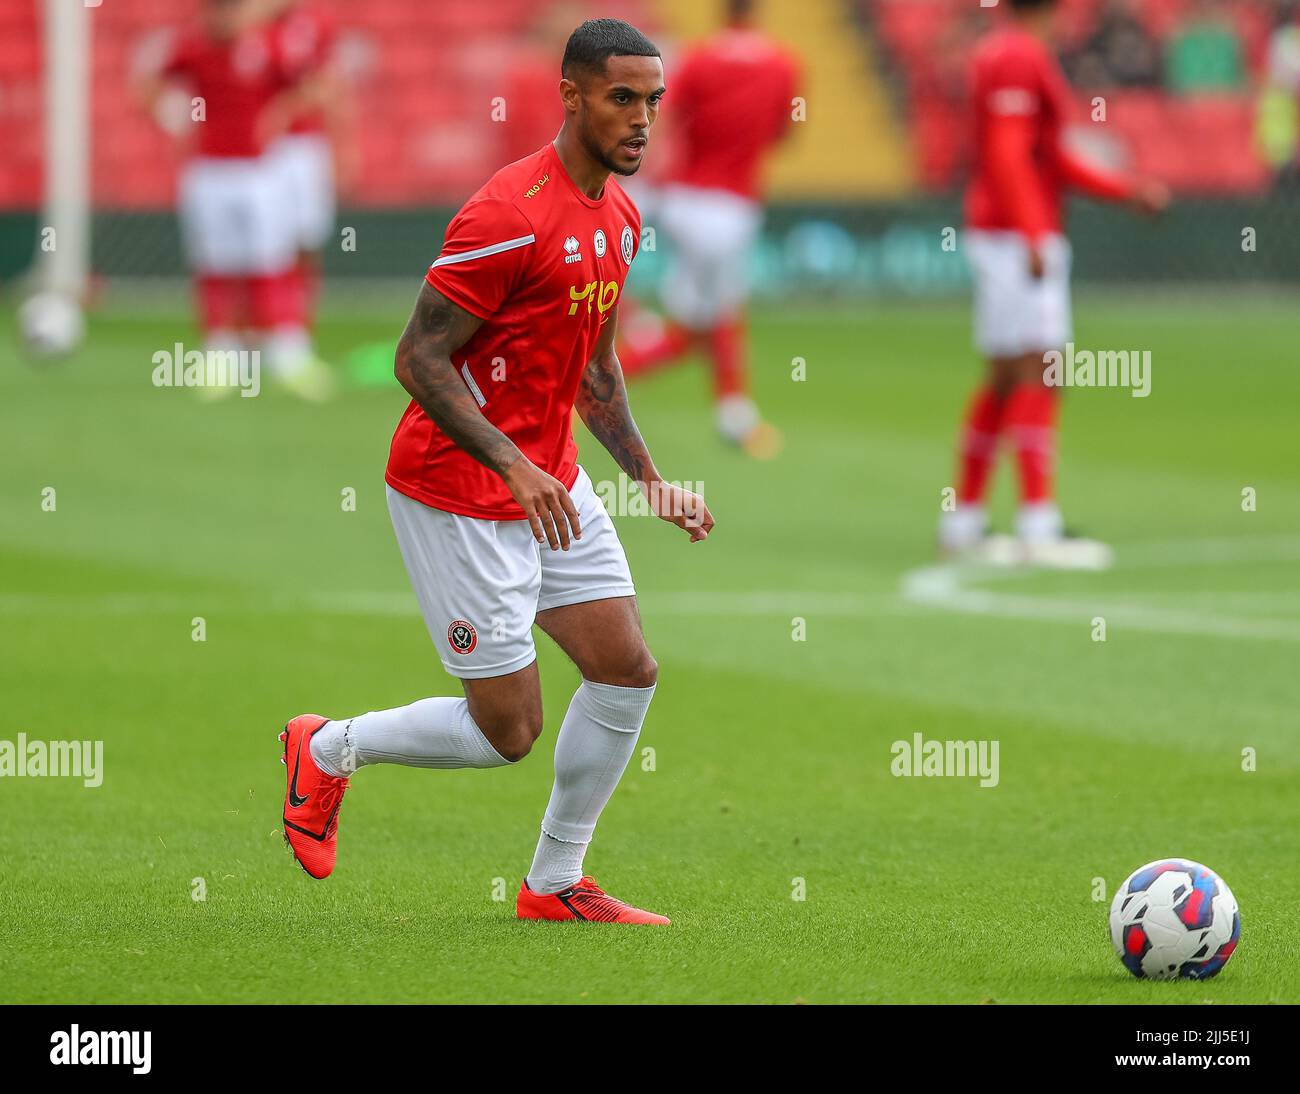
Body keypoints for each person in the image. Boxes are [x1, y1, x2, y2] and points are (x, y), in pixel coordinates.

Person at [280, 19, 713, 925]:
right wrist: (515, 465)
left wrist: (646, 478)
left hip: (549, 480)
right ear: (572, 97)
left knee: (627, 670)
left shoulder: (623, 218)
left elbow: (593, 371)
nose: (641, 120)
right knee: (507, 731)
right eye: (621, 99)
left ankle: (555, 884)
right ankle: (327, 750)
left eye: (652, 102)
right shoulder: (507, 214)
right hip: (460, 490)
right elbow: (418, 359)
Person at [940, 0, 1169, 565]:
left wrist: (1123, 189)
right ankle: (1037, 524)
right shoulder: (1019, 55)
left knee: (1003, 375)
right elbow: (1009, 152)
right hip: (1015, 235)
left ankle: (965, 521)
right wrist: (1035, 232)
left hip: (1000, 229)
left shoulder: (1004, 50)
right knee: (1044, 369)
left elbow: (1046, 157)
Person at [617, 0, 800, 459]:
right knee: (699, 325)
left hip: (683, 198)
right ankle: (593, 380)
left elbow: (666, 118)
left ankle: (732, 411)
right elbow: (784, 132)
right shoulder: (782, 64)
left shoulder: (697, 59)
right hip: (729, 208)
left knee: (713, 313)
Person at [133, 0, 331, 399]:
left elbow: (310, 86)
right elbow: (149, 87)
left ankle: (286, 349)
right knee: (216, 262)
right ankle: (220, 353)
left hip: (260, 172)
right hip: (208, 172)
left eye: (231, 9)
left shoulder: (266, 49)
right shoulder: (189, 47)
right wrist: (170, 120)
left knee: (270, 258)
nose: (224, 17)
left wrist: (276, 115)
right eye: (217, 9)